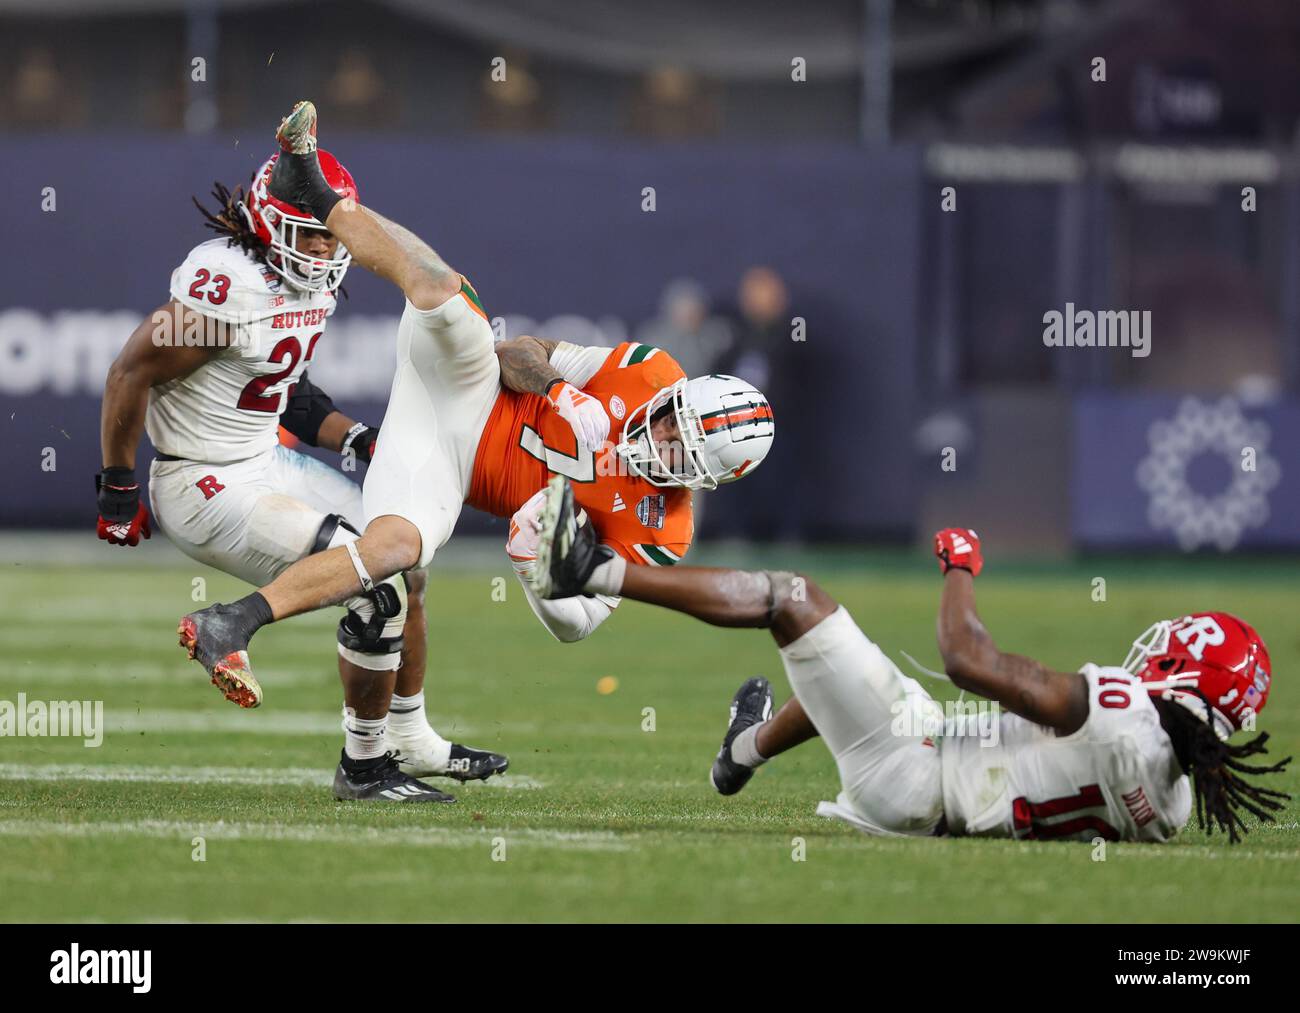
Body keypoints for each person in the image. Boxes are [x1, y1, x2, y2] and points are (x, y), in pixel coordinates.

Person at [178, 100, 775, 790]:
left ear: (703, 480)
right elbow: (515, 350)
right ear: (675, 394)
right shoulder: (649, 373)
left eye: (683, 449)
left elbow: (576, 626)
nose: (665, 435)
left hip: (443, 465)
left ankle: (256, 638)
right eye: (673, 418)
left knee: (401, 557)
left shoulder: (662, 526)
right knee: (442, 289)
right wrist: (560, 389)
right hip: (465, 385)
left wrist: (540, 572)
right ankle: (320, 194)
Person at [532, 479, 1290, 844]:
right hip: (944, 791)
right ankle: (741, 751)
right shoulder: (1175, 808)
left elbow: (966, 657)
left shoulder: (1123, 710)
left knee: (791, 597)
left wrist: (961, 563)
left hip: (919, 773)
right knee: (857, 670)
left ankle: (589, 568)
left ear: (1189, 679)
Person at [98, 141, 505, 805]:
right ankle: (364, 769)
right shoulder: (227, 284)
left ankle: (409, 737)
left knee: (405, 557)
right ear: (267, 222)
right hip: (205, 482)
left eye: (327, 239)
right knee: (381, 587)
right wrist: (116, 487)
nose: (320, 254)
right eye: (305, 237)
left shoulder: (300, 286)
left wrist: (357, 436)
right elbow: (129, 371)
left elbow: (280, 381)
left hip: (262, 460)